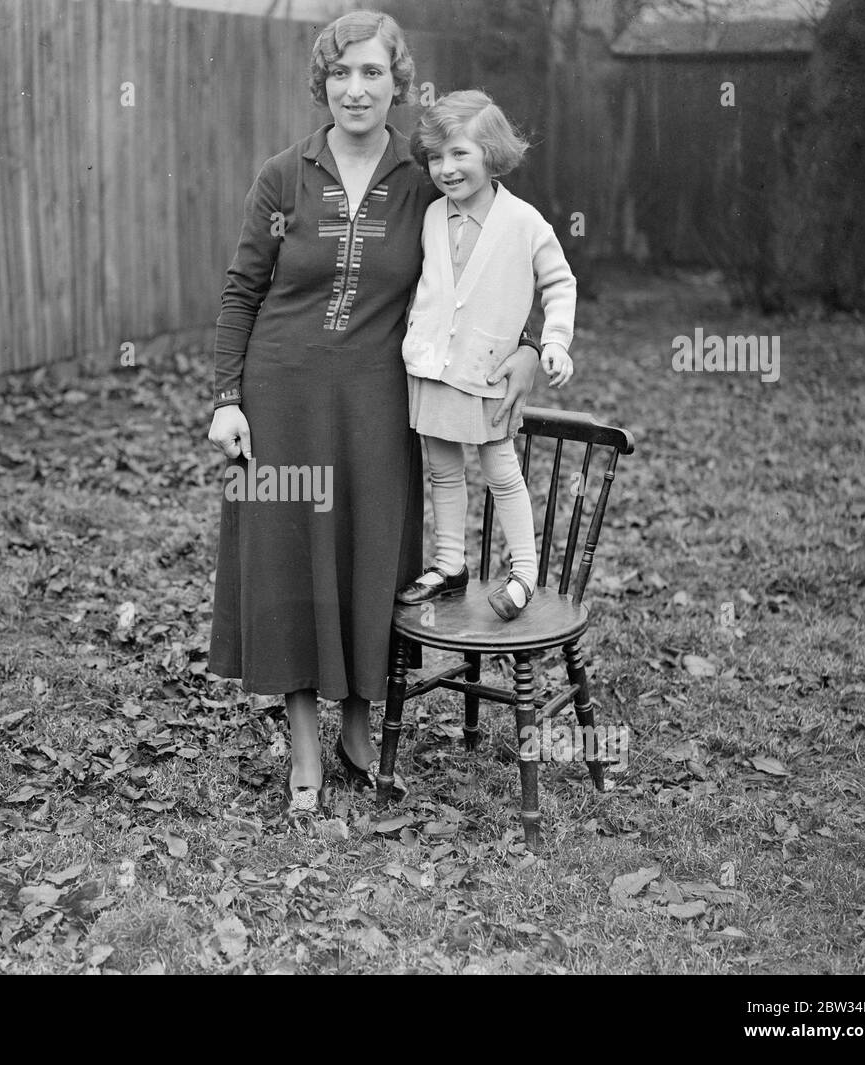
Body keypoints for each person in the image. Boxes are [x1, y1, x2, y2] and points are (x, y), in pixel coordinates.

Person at [206, 13, 542, 822]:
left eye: (373, 74)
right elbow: (242, 290)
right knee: (290, 559)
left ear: (399, 85)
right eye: (341, 74)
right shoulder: (285, 177)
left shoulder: (425, 179)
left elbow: (505, 252)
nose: (356, 89)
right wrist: (225, 399)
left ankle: (359, 728)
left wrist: (530, 347)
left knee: (369, 558)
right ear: (321, 85)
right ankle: (305, 749)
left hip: (382, 405)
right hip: (282, 397)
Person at [396, 90, 576, 619]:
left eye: (460, 154)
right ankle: (450, 563)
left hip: (488, 369)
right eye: (436, 157)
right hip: (431, 367)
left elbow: (559, 282)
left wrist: (555, 341)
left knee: (501, 467)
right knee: (443, 470)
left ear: (492, 154)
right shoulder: (431, 217)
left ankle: (524, 571)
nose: (446, 169)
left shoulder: (523, 222)